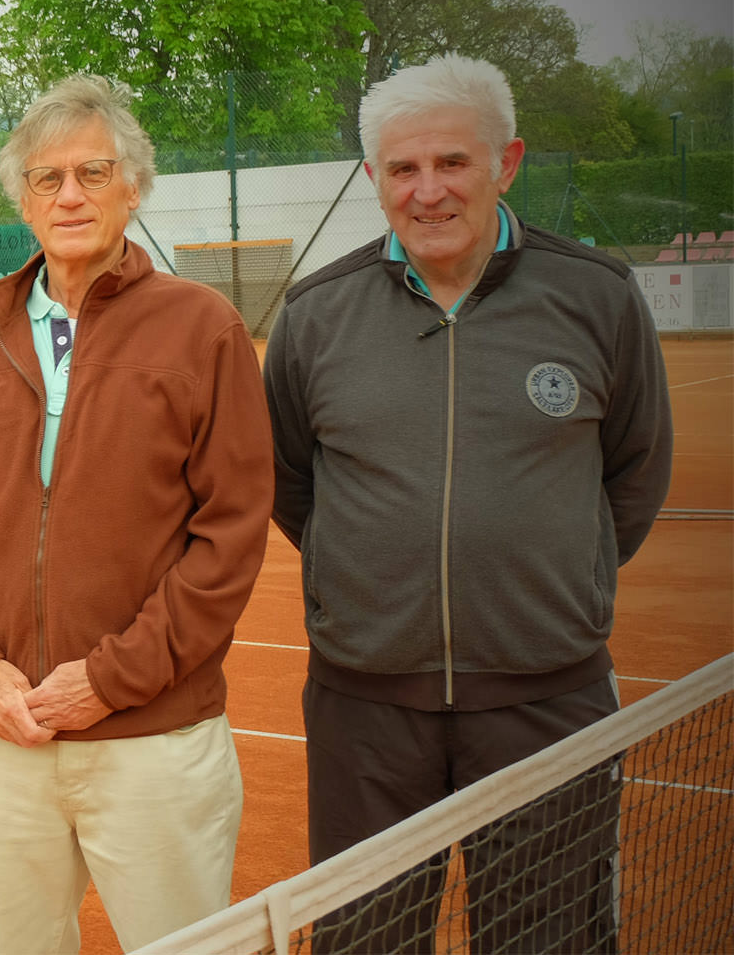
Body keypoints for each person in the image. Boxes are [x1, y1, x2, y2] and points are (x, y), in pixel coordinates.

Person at [264, 54, 672, 953]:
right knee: (365, 939)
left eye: (453, 162)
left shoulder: (598, 295)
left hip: (548, 703)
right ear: (374, 179)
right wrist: (363, 584)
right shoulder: (313, 315)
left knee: (549, 941)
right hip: (363, 711)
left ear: (507, 163)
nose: (429, 191)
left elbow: (633, 475)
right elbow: (294, 481)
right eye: (403, 169)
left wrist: (552, 581)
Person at [0, 75, 273, 954]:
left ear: (132, 188)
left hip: (151, 735)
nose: (69, 195)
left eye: (93, 173)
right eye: (46, 178)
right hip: (1, 730)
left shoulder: (202, 326)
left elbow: (230, 533)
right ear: (22, 199)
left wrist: (109, 678)